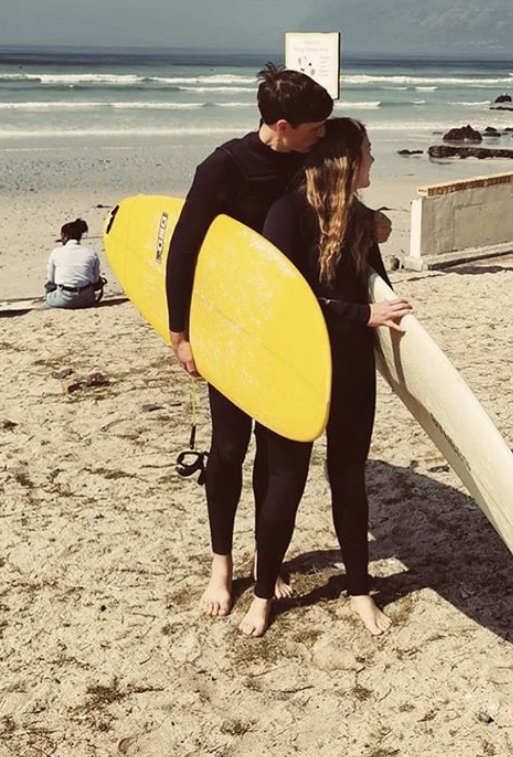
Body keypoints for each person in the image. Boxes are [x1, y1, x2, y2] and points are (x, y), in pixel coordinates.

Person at [165, 63, 336, 618]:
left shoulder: (306, 159)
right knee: (230, 448)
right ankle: (221, 566)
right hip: (229, 328)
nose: (323, 134)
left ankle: (270, 558)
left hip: (285, 327)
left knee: (275, 449)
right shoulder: (225, 166)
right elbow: (184, 249)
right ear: (282, 124)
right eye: (315, 125)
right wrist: (180, 334)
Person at [241, 118, 412, 638]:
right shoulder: (287, 214)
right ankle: (263, 592)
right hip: (294, 366)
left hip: (352, 369)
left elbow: (374, 288)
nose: (373, 163)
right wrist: (361, 317)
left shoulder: (360, 222)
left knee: (348, 480)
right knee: (284, 485)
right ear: (345, 162)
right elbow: (279, 299)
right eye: (367, 152)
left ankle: (360, 591)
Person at [44, 218, 102, 309]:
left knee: (47, 301)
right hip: (87, 298)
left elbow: (51, 280)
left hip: (64, 296)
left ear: (66, 236)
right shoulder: (91, 252)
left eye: (62, 236)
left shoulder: (56, 253)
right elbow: (95, 279)